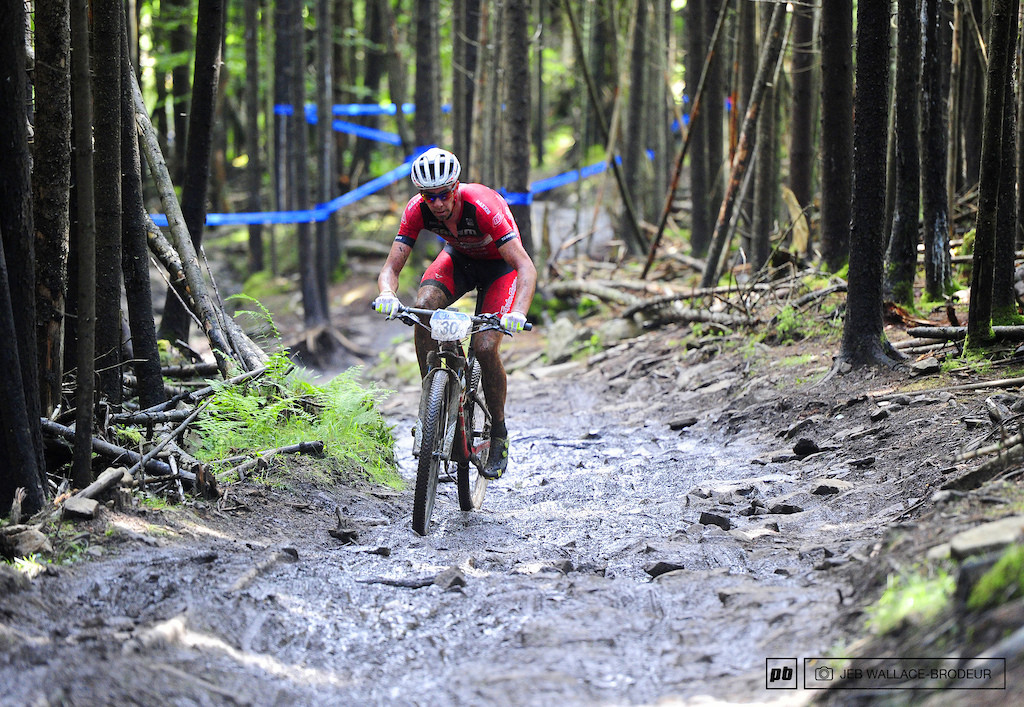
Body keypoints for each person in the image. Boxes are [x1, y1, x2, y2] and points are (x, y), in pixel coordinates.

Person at [373, 147, 537, 480]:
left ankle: (500, 433)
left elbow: (525, 266)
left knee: (487, 348)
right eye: (428, 196)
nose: (437, 203)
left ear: (456, 186)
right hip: (459, 261)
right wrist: (387, 294)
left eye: (444, 194)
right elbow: (391, 266)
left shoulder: (482, 206)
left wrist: (517, 312)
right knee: (423, 307)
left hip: (499, 269)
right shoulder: (417, 210)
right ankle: (431, 408)